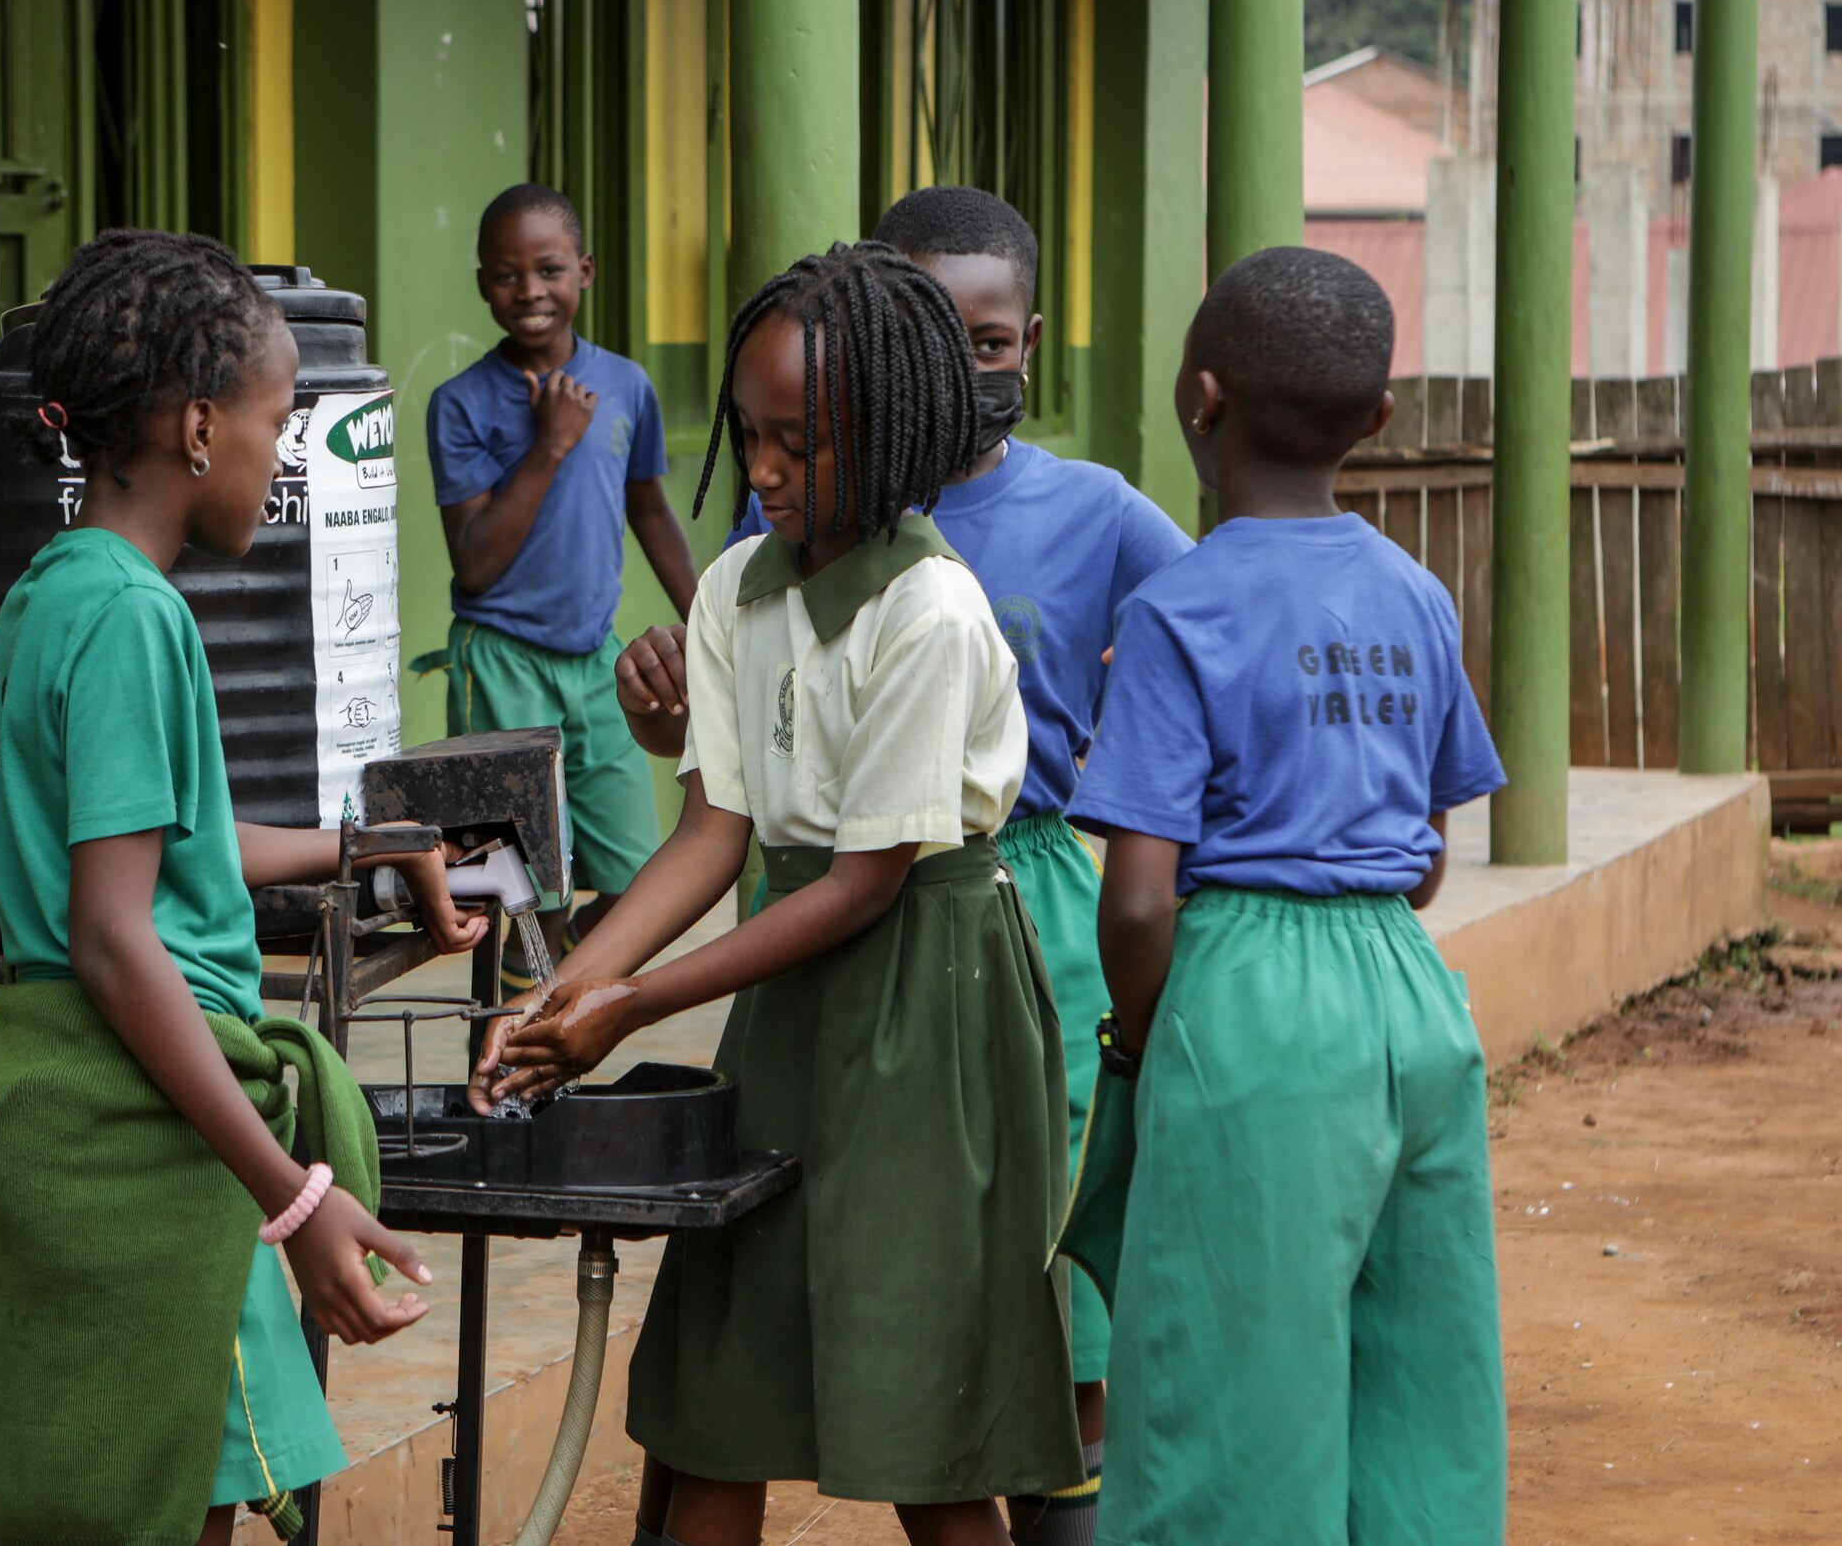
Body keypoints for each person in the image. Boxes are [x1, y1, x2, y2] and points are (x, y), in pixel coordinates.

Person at [479, 242, 1083, 1546]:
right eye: (747, 437)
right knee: (725, 1392)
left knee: (928, 1404)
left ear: (891, 429)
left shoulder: (930, 610)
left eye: (796, 444)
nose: (758, 472)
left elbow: (866, 886)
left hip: (931, 1001)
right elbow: (713, 832)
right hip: (790, 1000)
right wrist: (564, 989)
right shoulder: (740, 591)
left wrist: (633, 1005)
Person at [617, 187, 1190, 1543]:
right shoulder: (763, 564)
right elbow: (731, 805)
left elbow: (1203, 643)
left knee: (1006, 1311)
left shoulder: (1070, 524)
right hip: (803, 927)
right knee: (757, 1317)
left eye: (992, 340)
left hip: (1007, 905)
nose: (762, 465)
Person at [0, 230, 487, 1546]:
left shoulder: (52, 592)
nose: (282, 452)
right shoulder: (137, 619)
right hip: (142, 1132)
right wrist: (292, 1196)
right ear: (199, 427)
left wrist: (361, 845)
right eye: (275, 420)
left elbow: (165, 845)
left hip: (62, 1105)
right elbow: (116, 937)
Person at [1064, 247, 1508, 1545]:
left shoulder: (1178, 607)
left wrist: (1147, 1044)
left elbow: (1141, 899)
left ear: (1201, 401)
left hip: (1245, 1005)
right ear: (1376, 422)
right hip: (1415, 1008)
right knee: (1423, 1393)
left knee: (1229, 1415)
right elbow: (1426, 854)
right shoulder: (1417, 596)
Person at [417, 183, 699, 990]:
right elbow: (475, 562)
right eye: (507, 274)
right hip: (500, 662)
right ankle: (511, 1039)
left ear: (586, 271)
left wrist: (711, 618)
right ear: (483, 286)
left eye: (548, 269)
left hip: (596, 663)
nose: (530, 291)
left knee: (641, 873)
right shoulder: (460, 404)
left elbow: (649, 511)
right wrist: (549, 445)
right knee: (522, 882)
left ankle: (555, 957)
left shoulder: (628, 386)